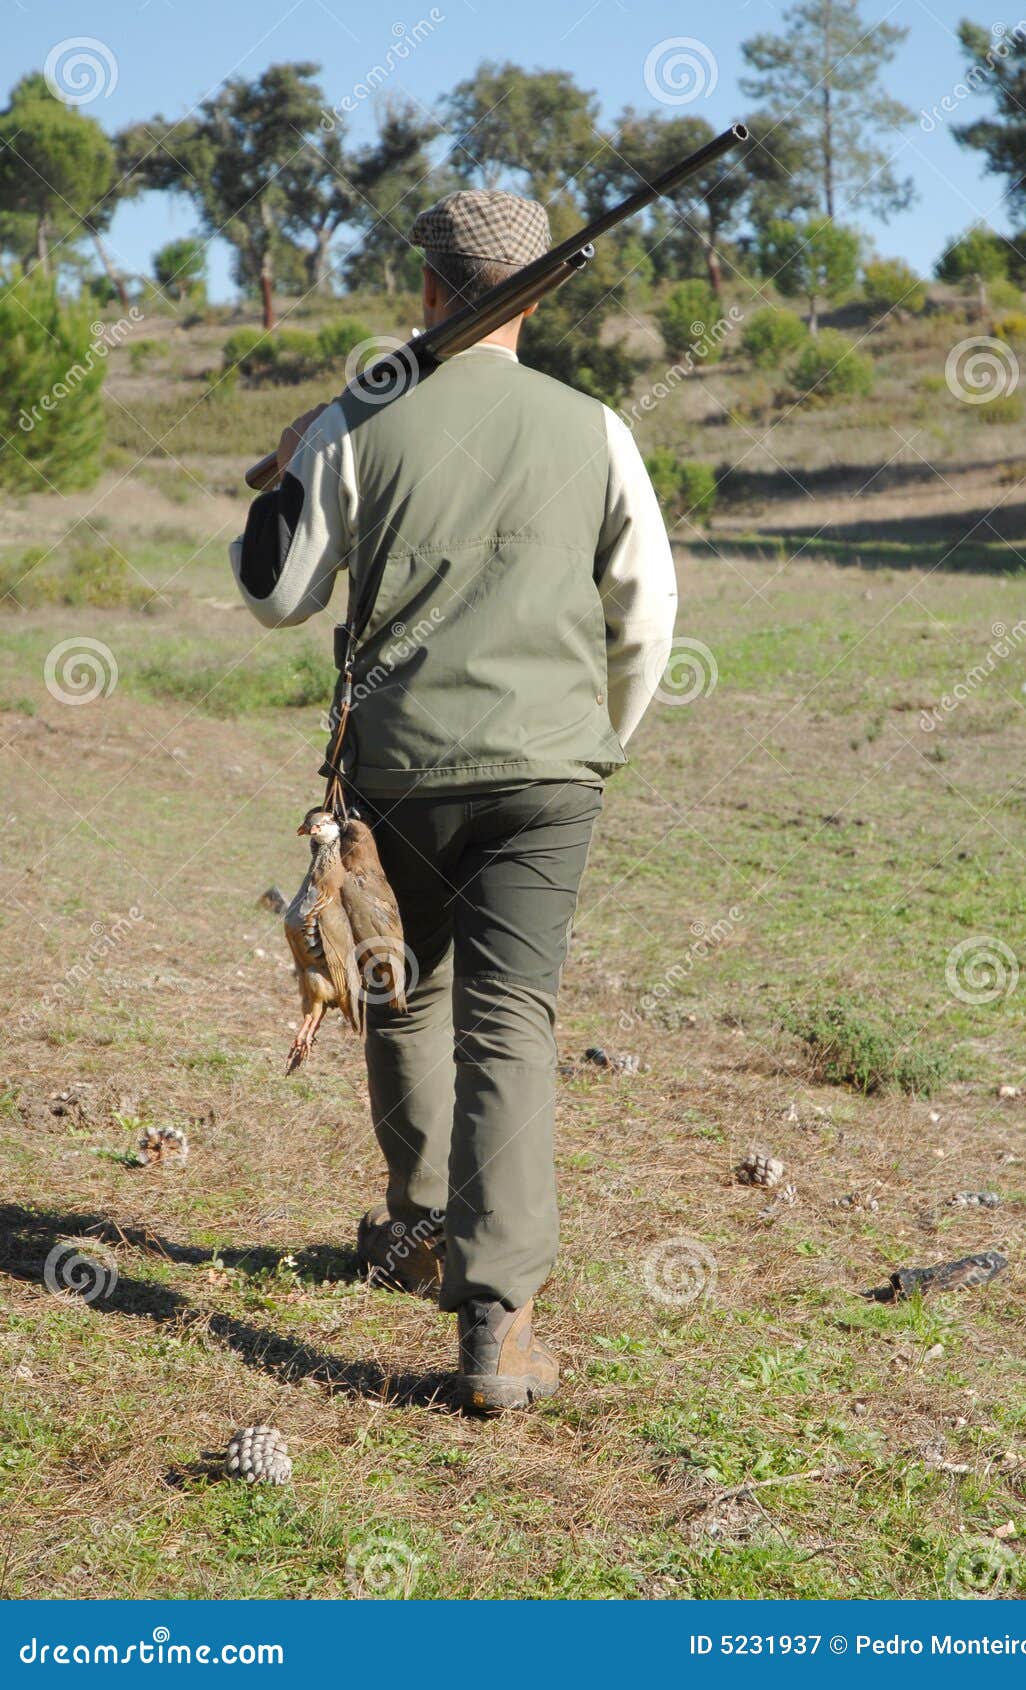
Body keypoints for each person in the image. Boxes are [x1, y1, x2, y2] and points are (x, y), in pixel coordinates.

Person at [230, 187, 676, 1411]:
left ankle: (418, 1223)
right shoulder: (595, 427)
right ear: (540, 301)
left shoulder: (357, 423)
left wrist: (292, 462)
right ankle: (496, 1320)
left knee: (401, 986)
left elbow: (277, 596)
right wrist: (586, 748)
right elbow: (647, 613)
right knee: (511, 1020)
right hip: (551, 778)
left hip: (399, 770)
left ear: (427, 289)